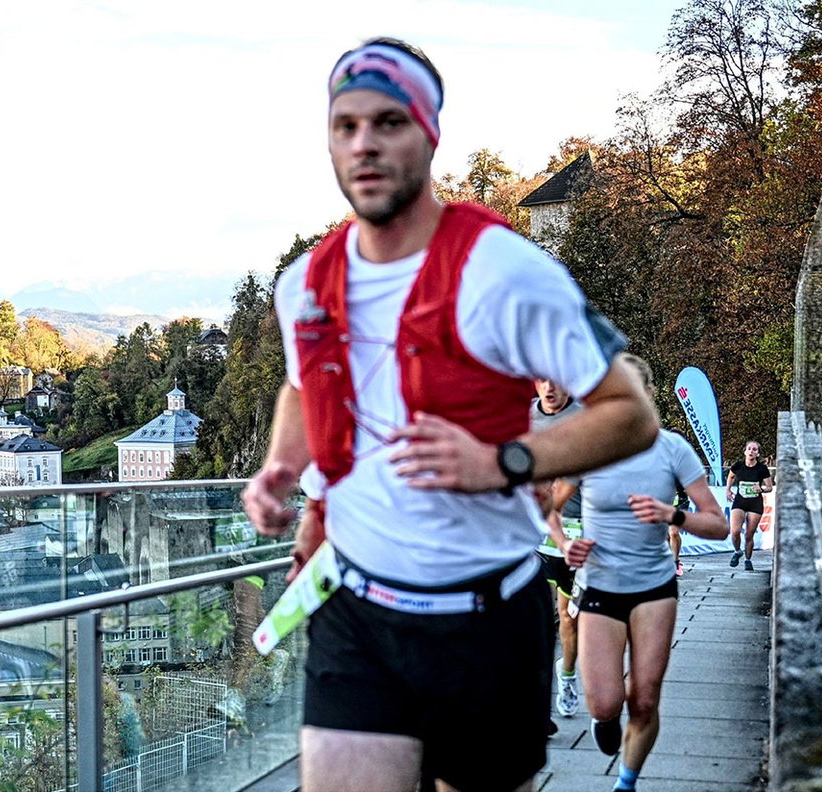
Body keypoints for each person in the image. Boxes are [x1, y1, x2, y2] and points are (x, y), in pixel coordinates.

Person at [242, 37, 660, 792]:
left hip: (485, 622)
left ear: (429, 133)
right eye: (344, 126)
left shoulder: (506, 273)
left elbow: (631, 414)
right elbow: (304, 387)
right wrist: (282, 467)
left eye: (388, 122)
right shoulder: (305, 282)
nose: (363, 144)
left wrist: (502, 461)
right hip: (357, 615)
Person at [558, 353, 728, 791]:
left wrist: (672, 515)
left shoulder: (672, 449)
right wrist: (564, 544)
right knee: (605, 702)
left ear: (649, 395)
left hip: (654, 587)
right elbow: (546, 507)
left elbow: (718, 524)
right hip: (600, 584)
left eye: (632, 392)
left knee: (646, 700)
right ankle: (604, 718)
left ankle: (626, 782)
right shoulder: (591, 446)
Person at [532, 379, 584, 719]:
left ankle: (566, 676)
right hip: (538, 533)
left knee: (569, 618)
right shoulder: (523, 418)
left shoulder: (588, 417)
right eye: (542, 380)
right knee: (538, 618)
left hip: (580, 531)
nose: (549, 387)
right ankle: (537, 705)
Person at [726, 441, 773, 571]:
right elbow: (731, 476)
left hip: (755, 503)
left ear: (757, 453)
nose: (751, 451)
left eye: (754, 449)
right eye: (749, 449)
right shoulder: (738, 466)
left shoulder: (762, 468)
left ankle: (748, 560)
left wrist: (761, 489)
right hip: (740, 501)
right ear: (745, 451)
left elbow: (769, 487)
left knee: (748, 534)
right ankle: (737, 551)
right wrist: (728, 490)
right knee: (735, 531)